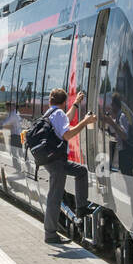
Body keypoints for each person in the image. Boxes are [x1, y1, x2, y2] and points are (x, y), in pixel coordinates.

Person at [41, 87, 97, 246]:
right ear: (63, 102)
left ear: (51, 101)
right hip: (56, 161)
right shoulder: (57, 114)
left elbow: (66, 119)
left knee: (81, 172)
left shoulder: (51, 113)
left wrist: (77, 104)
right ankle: (50, 234)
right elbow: (67, 134)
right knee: (55, 196)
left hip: (52, 159)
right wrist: (85, 122)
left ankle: (81, 207)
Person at [0, 101, 24, 172]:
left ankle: (18, 169)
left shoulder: (13, 114)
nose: (7, 108)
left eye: (8, 107)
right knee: (20, 153)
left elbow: (5, 123)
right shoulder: (16, 113)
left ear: (12, 106)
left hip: (15, 136)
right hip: (19, 135)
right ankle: (27, 167)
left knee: (14, 153)